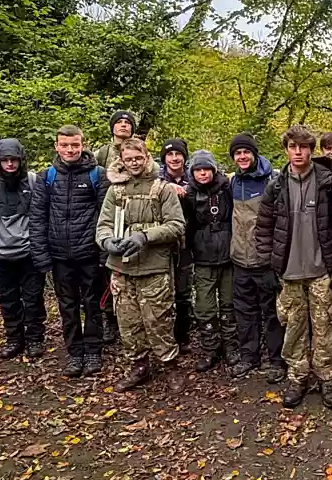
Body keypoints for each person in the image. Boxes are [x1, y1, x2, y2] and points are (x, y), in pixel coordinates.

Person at [255, 125, 332, 409]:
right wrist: (267, 265)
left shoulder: (327, 183)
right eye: (292, 147)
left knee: (325, 327)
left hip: (322, 270)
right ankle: (297, 377)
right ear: (286, 150)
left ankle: (326, 377)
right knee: (294, 328)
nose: (298, 152)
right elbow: (263, 228)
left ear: (311, 150)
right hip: (288, 272)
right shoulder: (276, 186)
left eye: (303, 147)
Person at [95, 138, 186, 392]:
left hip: (154, 267)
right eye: (128, 159)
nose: (133, 163)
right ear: (121, 161)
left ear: (146, 157)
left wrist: (145, 236)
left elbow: (177, 225)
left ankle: (171, 366)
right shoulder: (116, 190)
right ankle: (139, 366)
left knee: (159, 320)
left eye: (138, 158)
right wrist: (107, 242)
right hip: (121, 268)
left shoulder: (162, 189)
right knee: (128, 322)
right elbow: (102, 225)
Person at [30, 125, 109, 377]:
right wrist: (41, 255)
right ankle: (75, 353)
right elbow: (37, 217)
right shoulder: (47, 177)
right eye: (64, 145)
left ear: (82, 145)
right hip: (59, 256)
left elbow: (107, 217)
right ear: (57, 146)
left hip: (90, 254)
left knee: (93, 304)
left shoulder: (98, 175)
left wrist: (105, 252)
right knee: (68, 306)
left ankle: (94, 351)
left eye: (75, 145)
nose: (70, 150)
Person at [228, 132, 285, 383]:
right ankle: (248, 357)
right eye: (237, 153)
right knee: (244, 313)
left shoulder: (272, 181)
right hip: (240, 259)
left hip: (265, 260)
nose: (242, 156)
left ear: (254, 154)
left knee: (272, 313)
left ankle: (276, 361)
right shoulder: (232, 182)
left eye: (246, 152)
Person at [0, 139, 45, 359]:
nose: (10, 164)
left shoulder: (34, 181)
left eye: (14, 159)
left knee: (33, 297)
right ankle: (14, 338)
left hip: (29, 251)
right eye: (5, 160)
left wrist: (39, 243)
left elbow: (42, 214)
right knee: (7, 299)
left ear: (21, 160)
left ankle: (35, 339)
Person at [183, 150, 238, 372]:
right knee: (204, 307)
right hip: (202, 257)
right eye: (198, 170)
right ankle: (210, 348)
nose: (202, 173)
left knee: (229, 303)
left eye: (206, 169)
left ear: (214, 170)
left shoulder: (227, 188)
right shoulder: (188, 194)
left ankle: (231, 346)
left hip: (228, 256)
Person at [95, 110, 137, 344]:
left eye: (127, 123)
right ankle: (109, 318)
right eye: (119, 123)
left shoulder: (137, 149)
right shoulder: (103, 152)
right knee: (107, 270)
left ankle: (132, 320)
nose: (122, 126)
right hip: (109, 212)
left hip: (134, 212)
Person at [159, 138, 194, 351]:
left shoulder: (195, 177)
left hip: (187, 244)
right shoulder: (156, 179)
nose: (174, 158)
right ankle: (164, 336)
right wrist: (167, 188)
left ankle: (182, 335)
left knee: (183, 291)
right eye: (170, 155)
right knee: (163, 292)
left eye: (178, 154)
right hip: (162, 245)